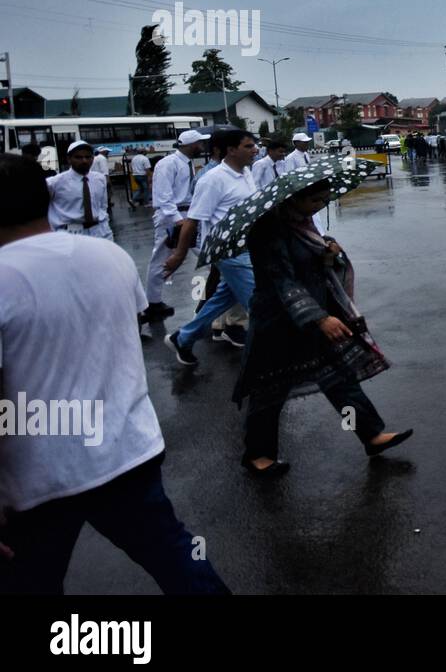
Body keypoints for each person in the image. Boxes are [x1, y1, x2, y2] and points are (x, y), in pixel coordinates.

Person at [0, 154, 229, 594]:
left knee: (31, 581)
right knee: (179, 560)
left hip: (39, 475)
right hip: (128, 451)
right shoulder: (111, 257)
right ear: (47, 194)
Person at [233, 180, 412, 476]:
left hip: (311, 318)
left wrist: (327, 255)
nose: (321, 205)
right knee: (269, 391)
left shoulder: (302, 224)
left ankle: (370, 434)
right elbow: (283, 282)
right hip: (278, 324)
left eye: (325, 199)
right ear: (294, 200)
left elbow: (311, 267)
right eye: (315, 200)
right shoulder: (268, 230)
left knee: (339, 381)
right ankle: (258, 455)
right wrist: (319, 318)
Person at [162, 130, 260, 366]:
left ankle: (183, 337)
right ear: (231, 150)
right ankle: (269, 360)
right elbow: (192, 221)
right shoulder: (213, 179)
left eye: (254, 145)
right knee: (259, 302)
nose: (255, 150)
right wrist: (179, 255)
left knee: (222, 299)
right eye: (248, 146)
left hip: (246, 246)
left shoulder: (246, 173)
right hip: (227, 251)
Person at [143, 130, 207, 320]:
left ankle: (212, 297)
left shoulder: (187, 163)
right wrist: (178, 221)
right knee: (162, 258)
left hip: (188, 214)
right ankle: (152, 302)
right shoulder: (168, 164)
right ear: (190, 144)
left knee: (206, 252)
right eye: (199, 143)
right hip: (173, 217)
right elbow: (163, 196)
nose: (202, 147)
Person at [45, 141, 113, 240]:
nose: (84, 161)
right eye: (78, 157)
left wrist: (105, 226)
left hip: (101, 233)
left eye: (88, 157)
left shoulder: (100, 179)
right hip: (71, 235)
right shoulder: (54, 182)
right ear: (69, 159)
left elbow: (103, 206)